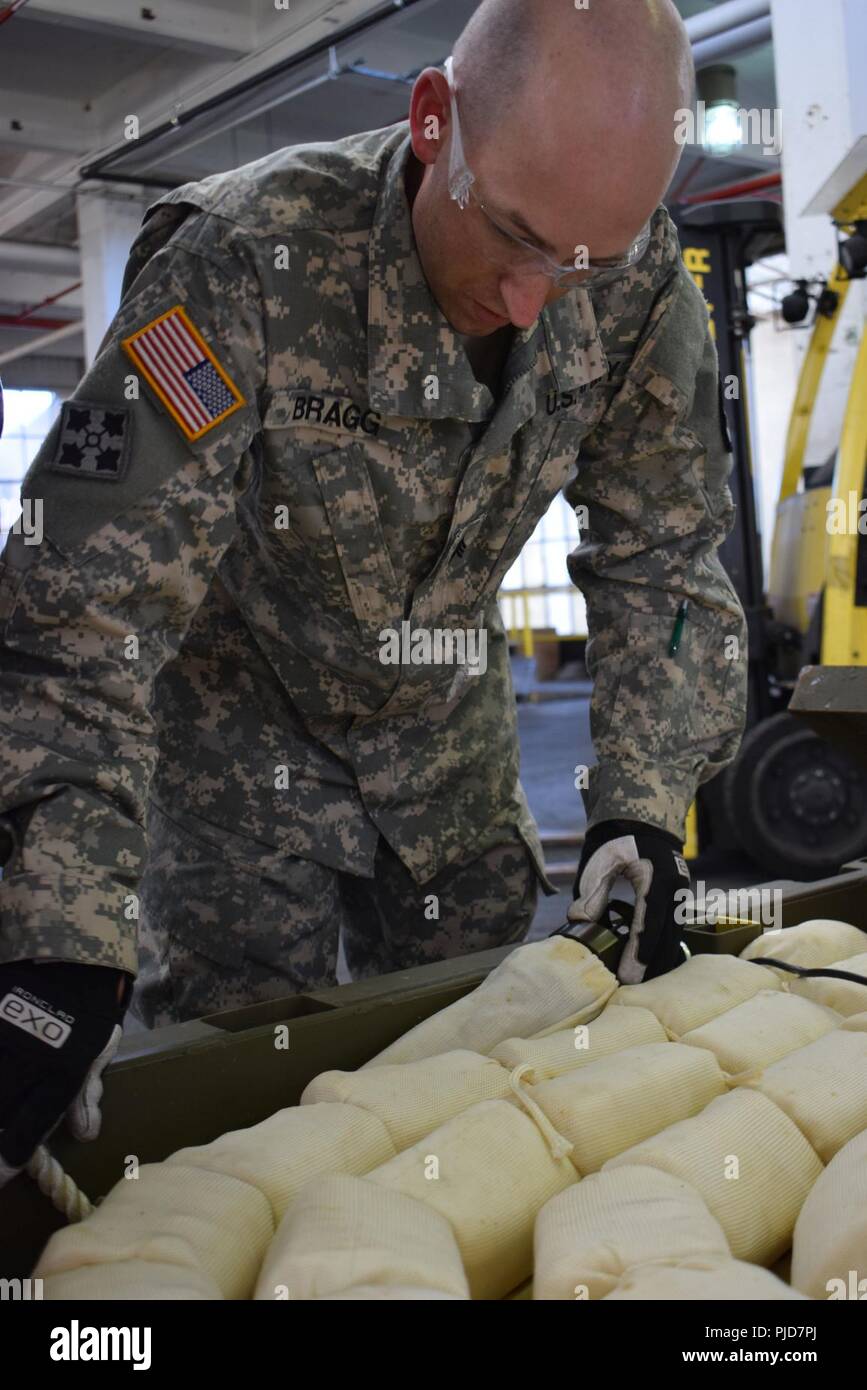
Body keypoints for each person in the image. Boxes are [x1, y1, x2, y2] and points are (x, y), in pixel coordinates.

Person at [0, 0, 747, 1185]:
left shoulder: (638, 275)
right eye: (511, 234)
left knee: (511, 1100)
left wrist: (645, 805)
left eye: (580, 262)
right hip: (236, 777)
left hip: (449, 759)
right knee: (226, 1132)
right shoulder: (240, 264)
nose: (531, 303)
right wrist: (58, 937)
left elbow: (665, 552)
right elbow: (77, 614)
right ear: (432, 118)